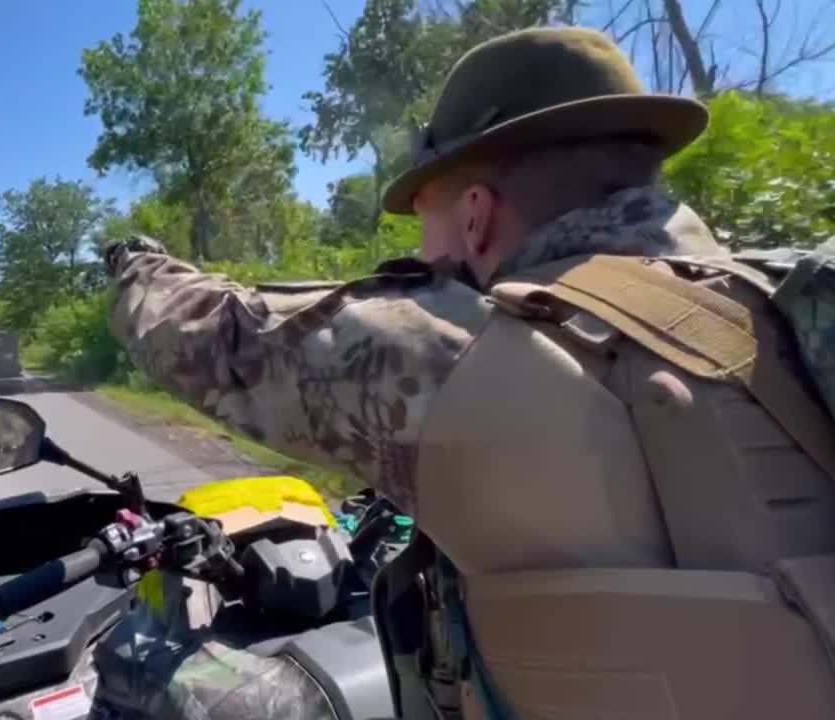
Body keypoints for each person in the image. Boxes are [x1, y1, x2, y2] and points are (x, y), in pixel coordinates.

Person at [104, 26, 835, 720]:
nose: (421, 245)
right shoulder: (783, 298)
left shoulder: (465, 347)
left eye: (425, 214)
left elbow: (216, 340)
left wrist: (136, 264)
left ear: (477, 214)